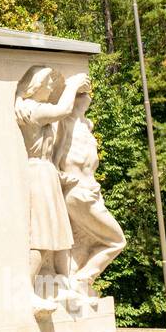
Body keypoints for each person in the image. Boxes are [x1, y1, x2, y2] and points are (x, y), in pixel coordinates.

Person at [15, 67, 89, 315]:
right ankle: (28, 291)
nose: (51, 87)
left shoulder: (33, 108)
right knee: (42, 235)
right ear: (34, 86)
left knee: (60, 233)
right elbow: (63, 110)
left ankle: (62, 282)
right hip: (38, 172)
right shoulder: (33, 109)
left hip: (48, 172)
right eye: (48, 82)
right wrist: (72, 85)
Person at [54, 77, 126, 294]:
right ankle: (83, 279)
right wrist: (71, 86)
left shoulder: (86, 125)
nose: (87, 98)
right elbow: (55, 158)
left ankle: (71, 282)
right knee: (116, 240)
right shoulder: (65, 123)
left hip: (90, 192)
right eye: (79, 97)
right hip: (78, 193)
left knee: (83, 242)